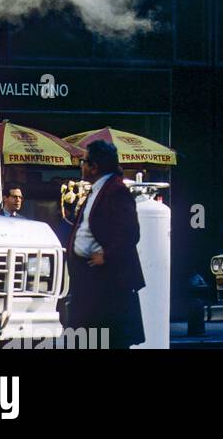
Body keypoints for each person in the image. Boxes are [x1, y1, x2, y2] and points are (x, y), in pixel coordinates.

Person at [63, 140, 146, 349]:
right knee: (87, 339)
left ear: (94, 166)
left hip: (105, 281)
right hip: (89, 278)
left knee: (106, 339)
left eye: (83, 161)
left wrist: (106, 256)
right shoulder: (98, 189)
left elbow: (130, 232)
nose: (81, 165)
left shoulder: (116, 190)